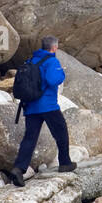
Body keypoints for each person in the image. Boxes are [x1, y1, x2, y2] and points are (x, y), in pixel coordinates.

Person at [8, 36, 74, 186]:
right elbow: (53, 80)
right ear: (54, 48)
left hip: (31, 106)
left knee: (29, 139)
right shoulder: (52, 61)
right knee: (61, 132)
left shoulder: (31, 60)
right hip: (48, 106)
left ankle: (18, 169)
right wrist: (62, 73)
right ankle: (65, 163)